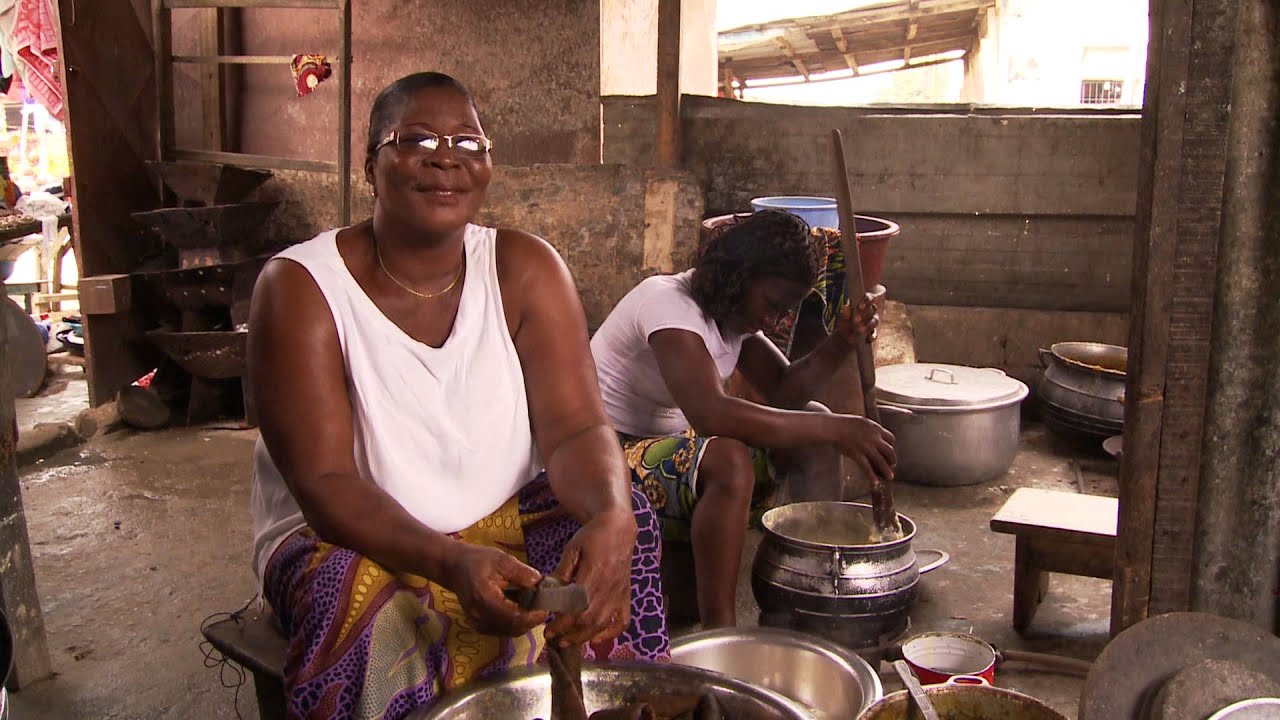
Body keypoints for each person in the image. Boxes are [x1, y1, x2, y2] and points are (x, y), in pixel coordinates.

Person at [247, 71, 668, 720]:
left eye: (469, 143)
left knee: (621, 526)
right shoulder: (302, 288)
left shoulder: (526, 269)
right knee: (374, 615)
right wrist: (450, 560)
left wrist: (610, 513)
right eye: (417, 139)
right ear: (371, 165)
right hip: (346, 537)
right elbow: (325, 482)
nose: (447, 158)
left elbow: (577, 428)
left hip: (502, 513)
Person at [589, 209, 897, 629]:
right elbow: (712, 414)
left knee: (813, 430)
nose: (773, 321)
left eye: (784, 311)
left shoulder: (733, 318)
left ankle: (814, 589)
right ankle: (723, 634)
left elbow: (785, 392)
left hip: (669, 453)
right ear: (740, 276)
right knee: (731, 458)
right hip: (603, 455)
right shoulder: (666, 303)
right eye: (772, 306)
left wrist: (841, 343)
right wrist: (839, 428)